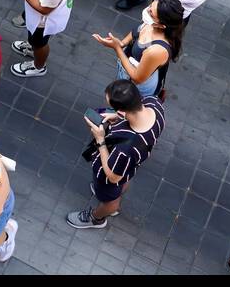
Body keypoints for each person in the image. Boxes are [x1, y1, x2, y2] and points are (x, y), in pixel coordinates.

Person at [68, 77, 163, 228]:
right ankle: (113, 195)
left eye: (110, 105)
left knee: (111, 201)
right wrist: (119, 116)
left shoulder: (126, 149)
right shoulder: (154, 104)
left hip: (109, 175)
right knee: (121, 184)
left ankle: (96, 218)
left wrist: (100, 140)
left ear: (121, 109)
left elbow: (112, 176)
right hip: (127, 167)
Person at [93, 0, 183, 97]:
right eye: (150, 6)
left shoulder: (156, 50)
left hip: (136, 87)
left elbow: (137, 78)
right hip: (126, 70)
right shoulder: (150, 23)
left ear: (161, 25)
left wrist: (117, 48)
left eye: (151, 13)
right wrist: (122, 43)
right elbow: (135, 32)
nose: (147, 11)